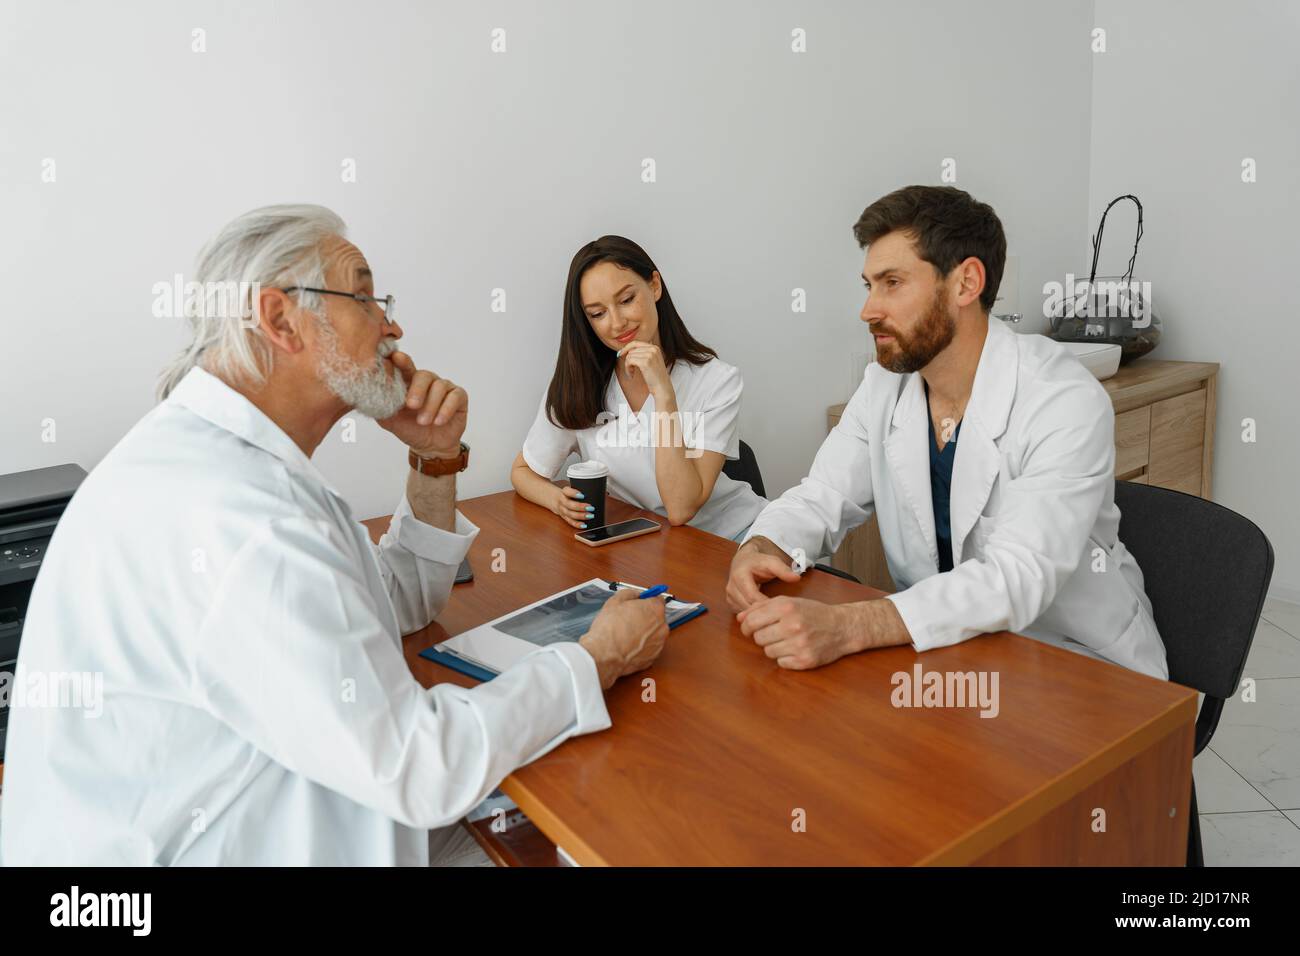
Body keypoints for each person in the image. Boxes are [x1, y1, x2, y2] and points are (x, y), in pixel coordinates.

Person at [0, 205, 667, 866]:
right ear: (280, 320)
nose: (393, 324)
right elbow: (416, 768)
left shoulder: (230, 465)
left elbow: (396, 603)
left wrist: (435, 459)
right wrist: (597, 658)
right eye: (366, 298)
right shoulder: (236, 514)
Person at [725, 185, 1167, 680]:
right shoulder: (885, 387)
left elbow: (1017, 577)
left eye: (892, 283)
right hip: (949, 655)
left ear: (965, 283)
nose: (868, 310)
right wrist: (763, 544)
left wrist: (852, 625)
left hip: (1077, 665)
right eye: (868, 285)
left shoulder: (1062, 398)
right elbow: (823, 495)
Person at [511, 236, 766, 542]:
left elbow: (681, 509)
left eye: (626, 299)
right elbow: (524, 471)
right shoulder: (580, 386)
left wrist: (663, 394)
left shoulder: (716, 380)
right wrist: (557, 502)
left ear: (654, 286)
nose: (617, 322)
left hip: (735, 538)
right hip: (652, 543)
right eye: (597, 313)